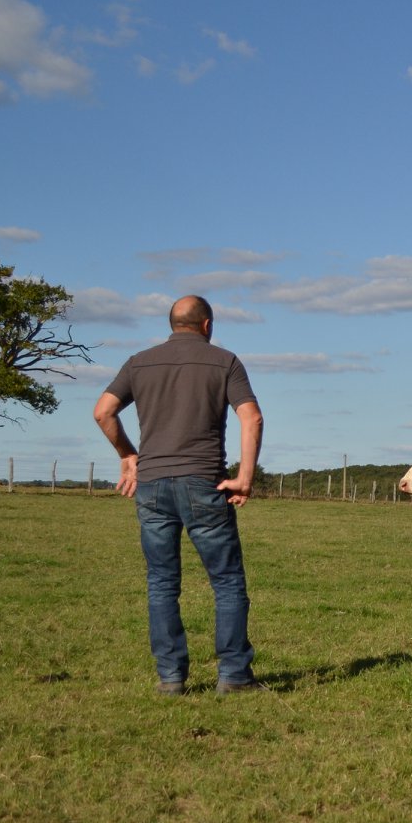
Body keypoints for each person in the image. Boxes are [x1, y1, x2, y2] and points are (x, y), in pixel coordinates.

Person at [93, 295, 267, 696]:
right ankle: (234, 676)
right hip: (203, 482)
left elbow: (103, 411)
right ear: (207, 326)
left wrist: (128, 455)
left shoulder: (139, 362)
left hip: (152, 486)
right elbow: (252, 417)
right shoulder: (225, 362)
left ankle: (171, 678)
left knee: (161, 583)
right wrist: (244, 477)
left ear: (172, 324)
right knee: (225, 582)